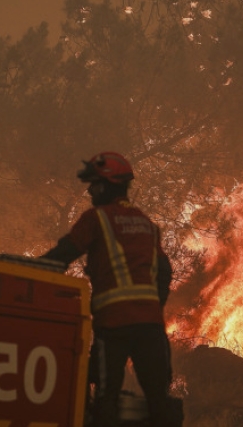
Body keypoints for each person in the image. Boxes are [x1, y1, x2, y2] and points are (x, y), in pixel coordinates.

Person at [42, 152, 177, 427]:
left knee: (106, 399)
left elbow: (64, 254)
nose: (90, 191)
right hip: (150, 327)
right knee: (158, 402)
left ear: (107, 185)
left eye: (94, 184)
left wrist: (30, 269)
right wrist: (151, 307)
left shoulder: (97, 218)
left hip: (113, 326)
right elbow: (164, 273)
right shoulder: (147, 224)